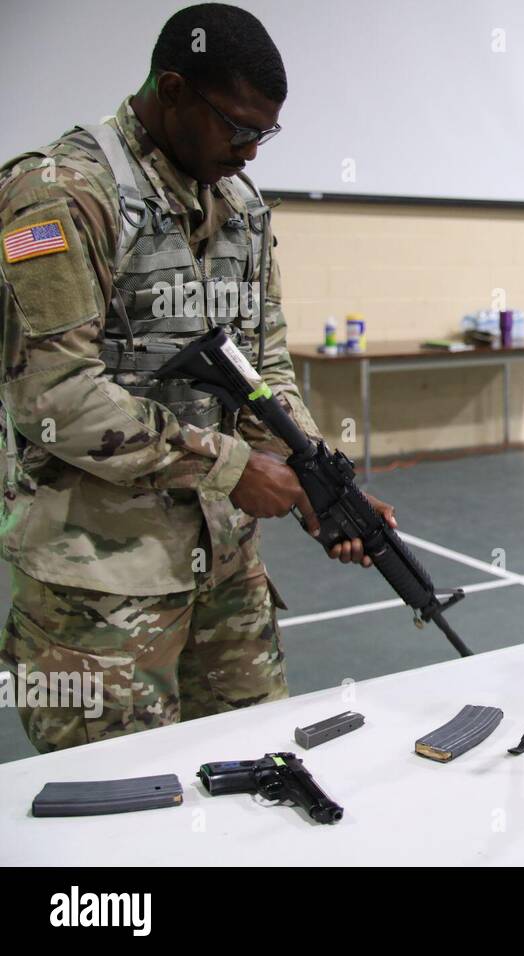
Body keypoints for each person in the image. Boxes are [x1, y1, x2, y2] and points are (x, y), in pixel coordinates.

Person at [0, 3, 390, 753]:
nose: (249, 152)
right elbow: (54, 397)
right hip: (101, 580)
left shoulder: (239, 206)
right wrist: (236, 468)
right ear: (172, 89)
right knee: (120, 806)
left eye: (263, 134)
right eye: (237, 127)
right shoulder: (61, 194)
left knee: (256, 766)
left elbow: (263, 366)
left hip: (226, 565)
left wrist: (319, 476)